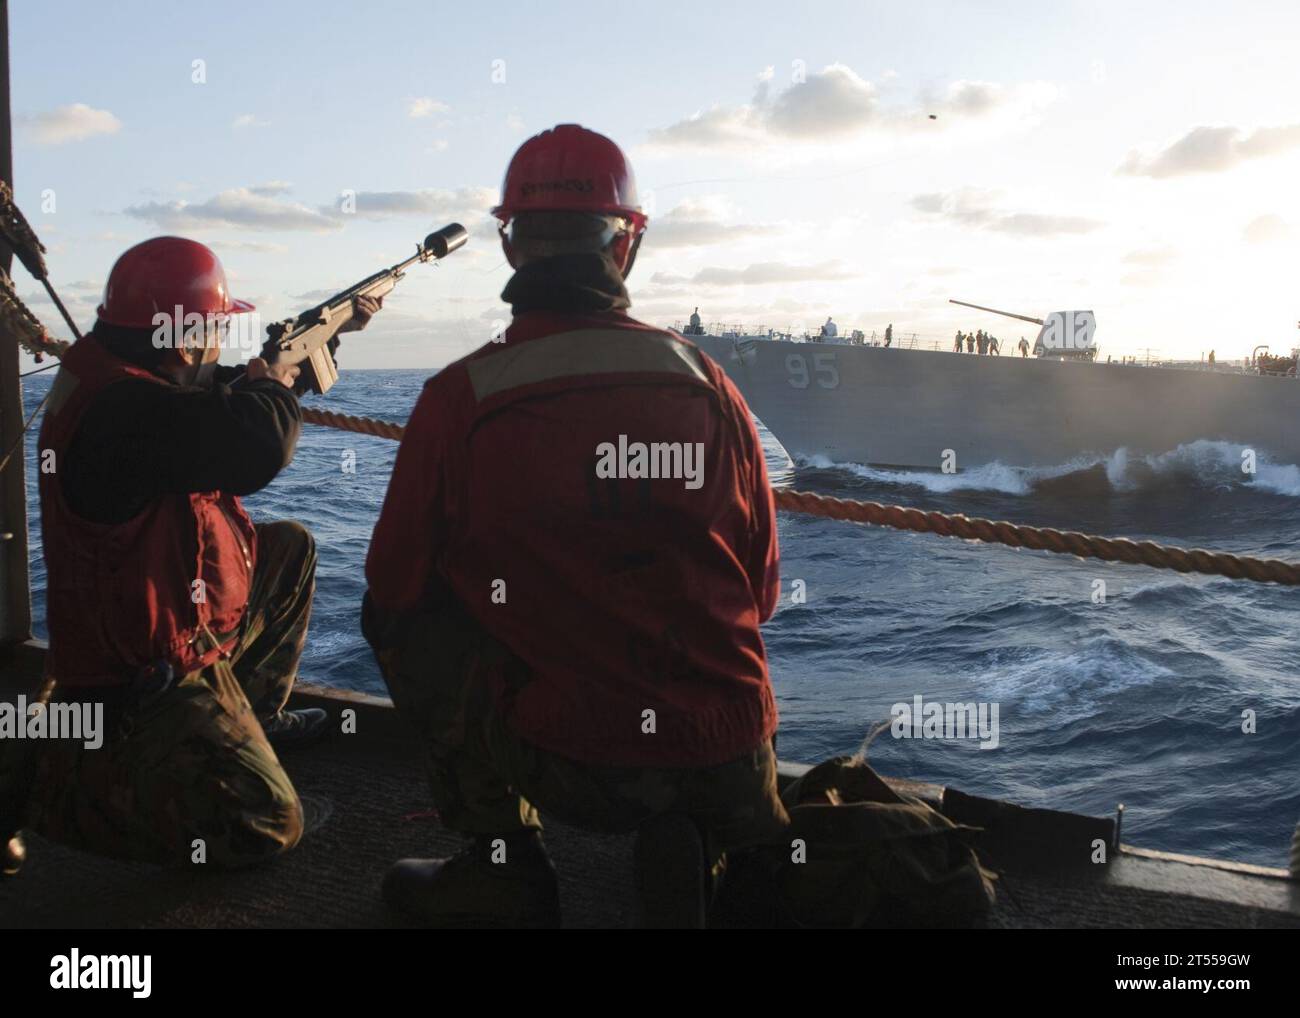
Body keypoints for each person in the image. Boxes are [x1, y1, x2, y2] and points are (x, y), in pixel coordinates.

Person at [363, 123, 788, 928]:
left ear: (510, 245)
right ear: (627, 244)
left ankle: (504, 868)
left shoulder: (461, 398)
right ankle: (721, 848)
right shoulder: (710, 385)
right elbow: (760, 594)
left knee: (407, 615)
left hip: (571, 764)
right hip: (730, 755)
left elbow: (393, 586)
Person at [0, 237, 382, 872]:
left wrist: (298, 360)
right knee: (268, 823)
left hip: (183, 631)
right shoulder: (123, 410)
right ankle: (46, 785)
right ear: (183, 338)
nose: (218, 345)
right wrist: (276, 381)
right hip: (136, 686)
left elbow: (206, 404)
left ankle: (247, 720)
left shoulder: (122, 376)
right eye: (213, 330)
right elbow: (255, 441)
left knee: (288, 549)